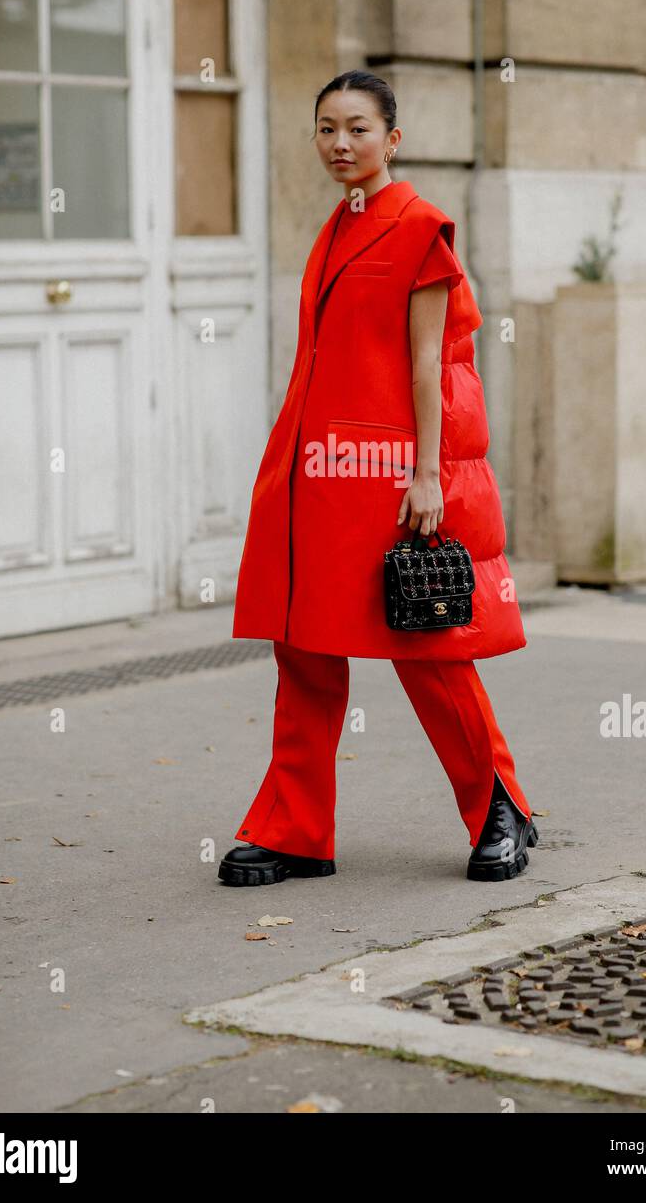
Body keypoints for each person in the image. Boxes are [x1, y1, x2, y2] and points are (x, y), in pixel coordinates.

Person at [219, 69, 536, 887]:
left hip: (392, 474)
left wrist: (428, 475)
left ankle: (501, 807)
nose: (339, 144)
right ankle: (294, 830)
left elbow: (428, 363)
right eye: (326, 128)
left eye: (358, 128)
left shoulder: (419, 226)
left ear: (392, 139)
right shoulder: (335, 226)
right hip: (318, 476)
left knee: (423, 640)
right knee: (304, 647)